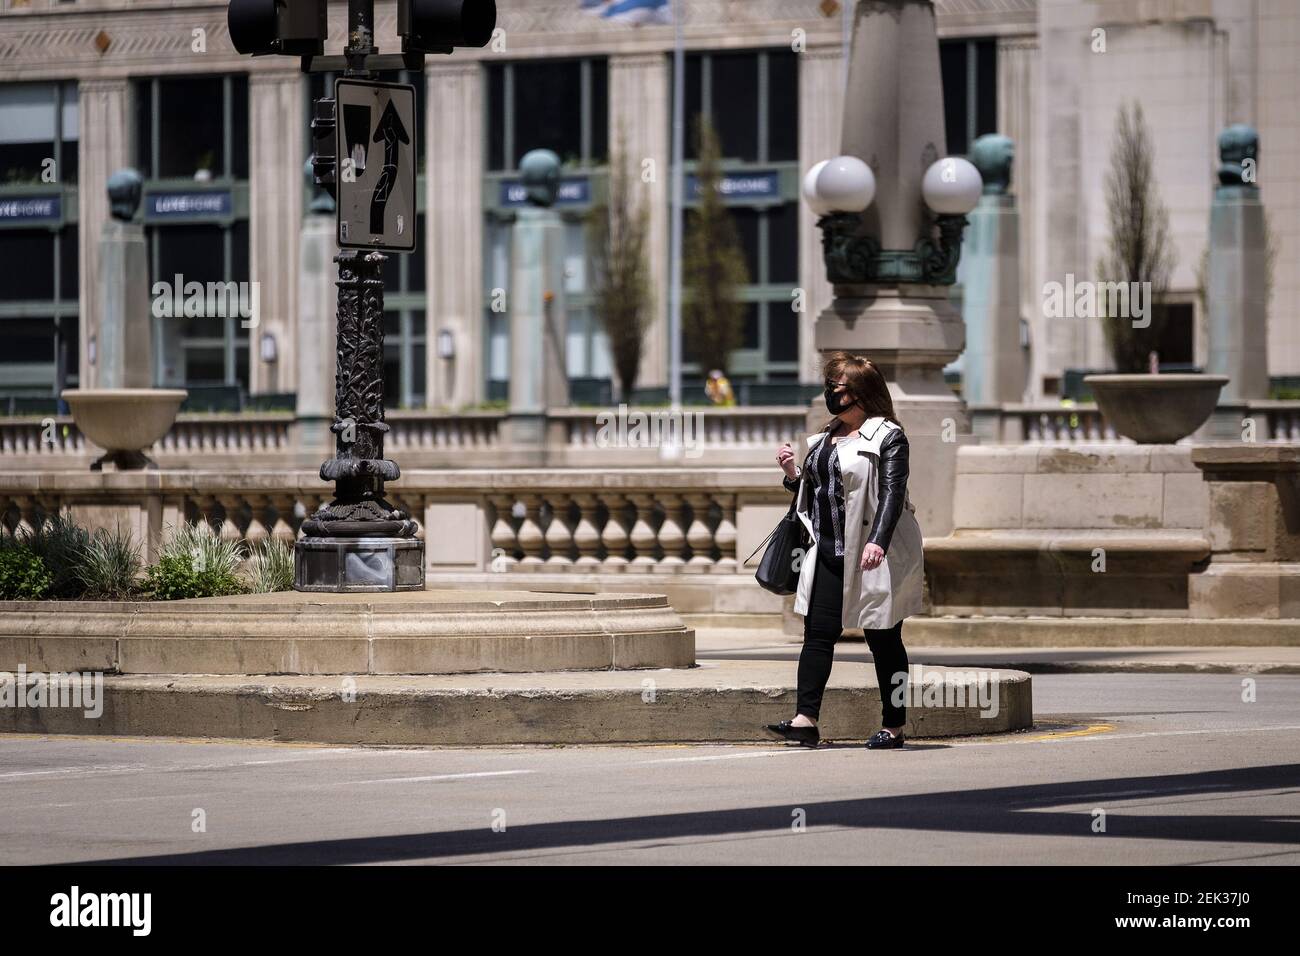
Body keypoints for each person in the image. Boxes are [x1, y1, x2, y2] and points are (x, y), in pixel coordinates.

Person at [766, 351, 924, 750]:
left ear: (860, 394)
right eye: (830, 386)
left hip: (874, 552)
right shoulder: (824, 437)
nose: (829, 394)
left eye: (837, 388)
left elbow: (892, 494)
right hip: (829, 551)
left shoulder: (888, 436)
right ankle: (806, 720)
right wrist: (793, 476)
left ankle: (894, 725)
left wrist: (878, 542)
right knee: (817, 635)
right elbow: (820, 491)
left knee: (884, 640)